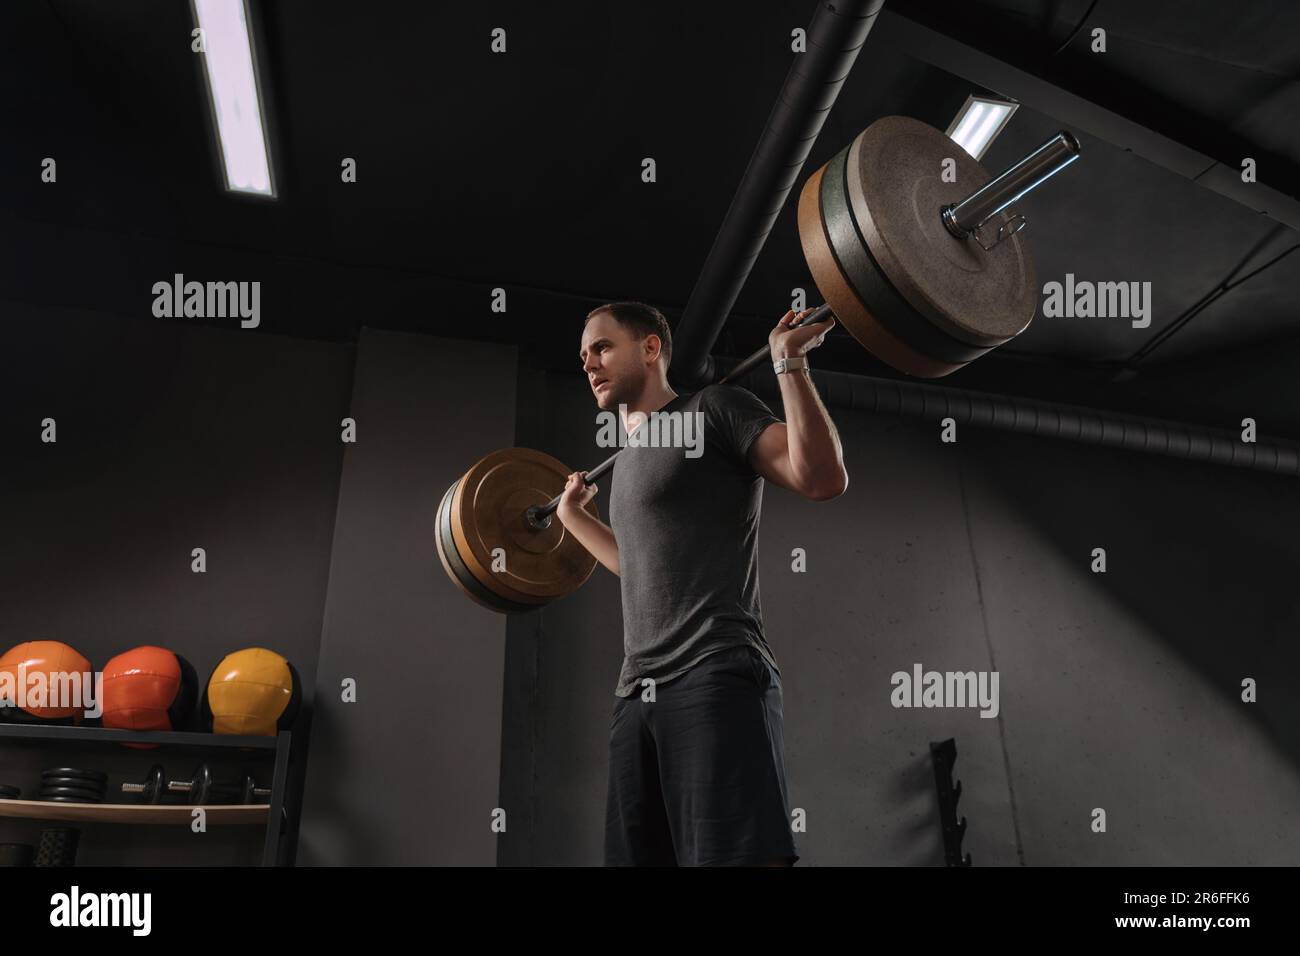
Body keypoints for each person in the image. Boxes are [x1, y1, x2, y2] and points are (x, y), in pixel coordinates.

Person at [558, 301, 848, 866]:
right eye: (583, 355)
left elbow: (820, 478)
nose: (589, 363)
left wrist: (789, 362)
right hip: (635, 692)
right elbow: (638, 566)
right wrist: (574, 520)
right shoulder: (627, 463)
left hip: (711, 671)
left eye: (602, 347)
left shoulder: (715, 408)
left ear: (650, 349)